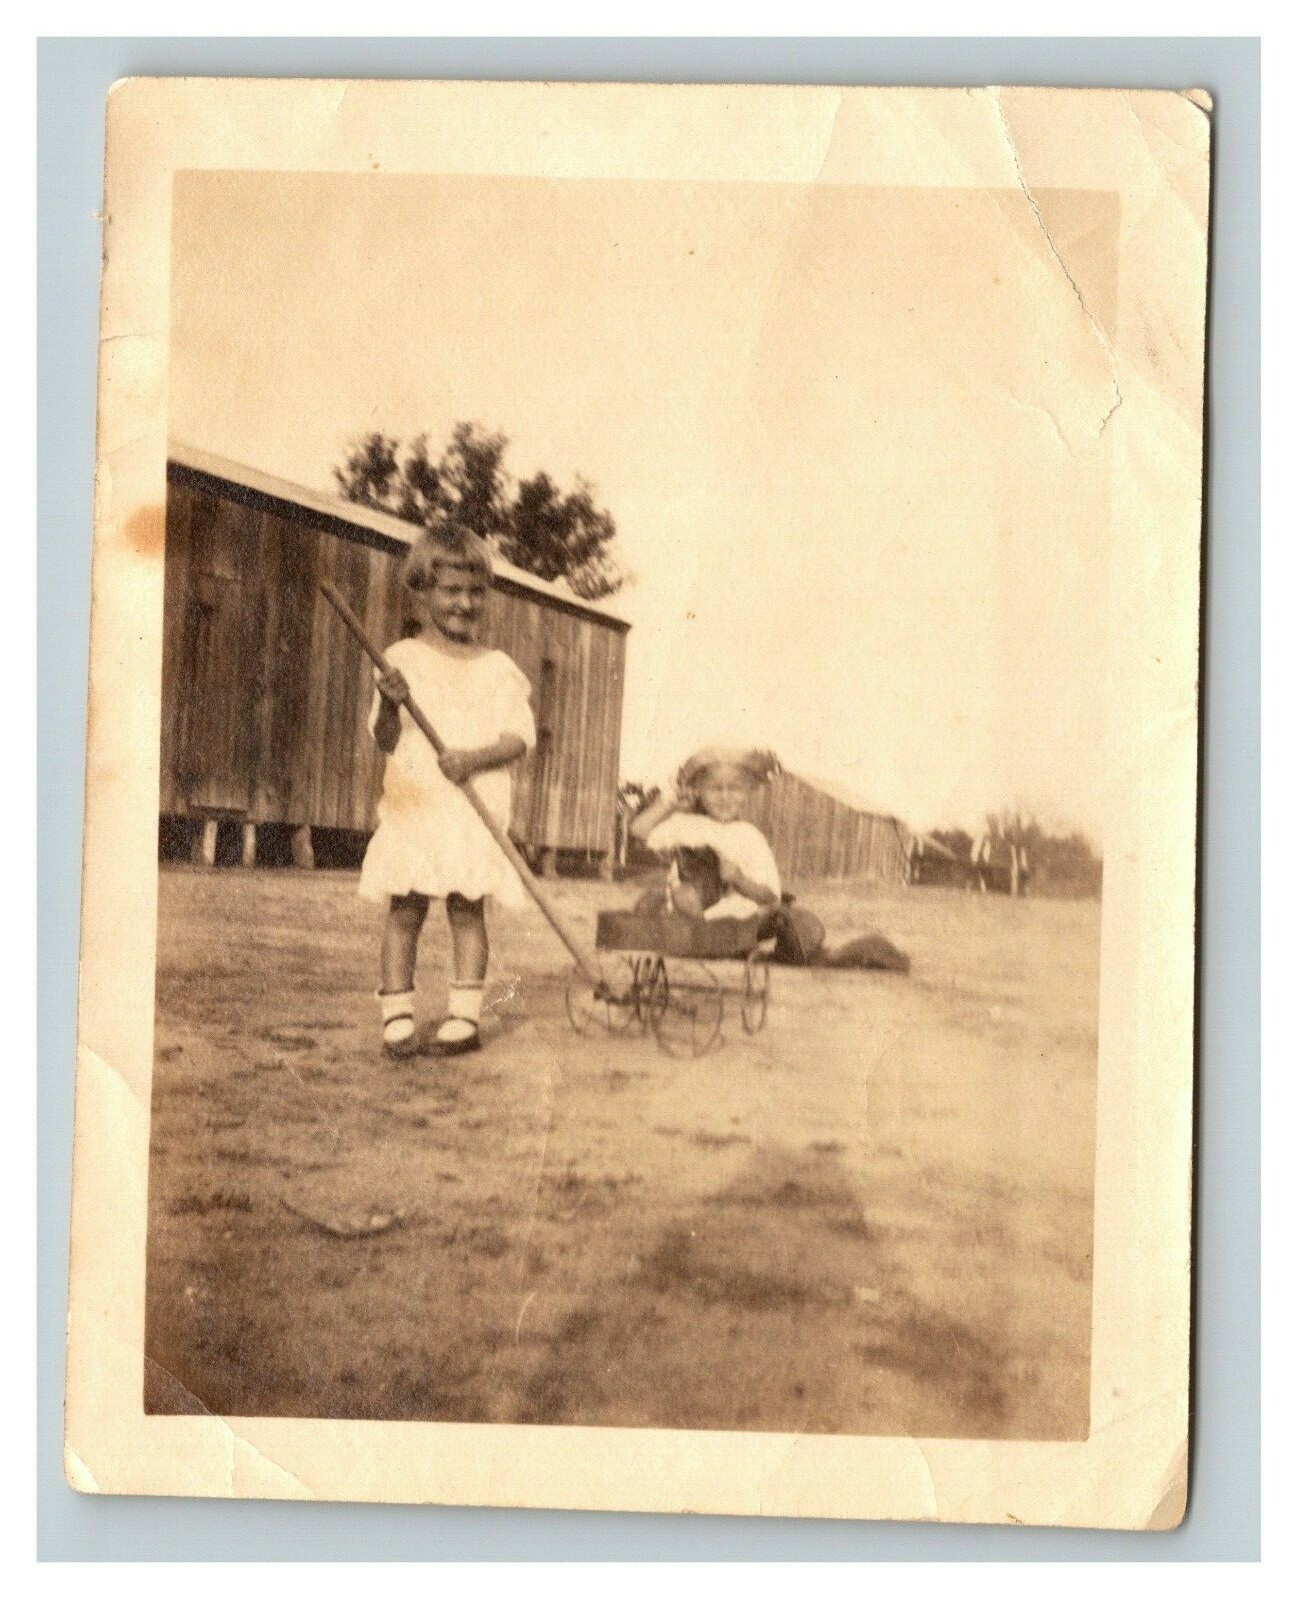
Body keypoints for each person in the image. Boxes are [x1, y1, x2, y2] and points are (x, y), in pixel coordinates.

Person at [359, 522, 535, 1060]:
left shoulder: (499, 669)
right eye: (451, 590)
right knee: (405, 907)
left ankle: (464, 1016)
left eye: (475, 591)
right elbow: (385, 739)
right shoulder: (401, 659)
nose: (464, 603)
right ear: (423, 590)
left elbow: (517, 739)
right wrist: (391, 703)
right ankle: (397, 1016)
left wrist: (471, 759)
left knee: (466, 907)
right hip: (418, 804)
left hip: (470, 808)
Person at [630, 747, 782, 922]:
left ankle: (699, 923)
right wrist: (670, 803)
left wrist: (739, 879)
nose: (724, 797)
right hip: (683, 912)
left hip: (729, 923)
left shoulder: (750, 837)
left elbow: (771, 898)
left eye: (734, 788)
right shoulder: (686, 824)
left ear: (746, 793)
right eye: (714, 788)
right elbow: (638, 830)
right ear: (698, 790)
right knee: (662, 899)